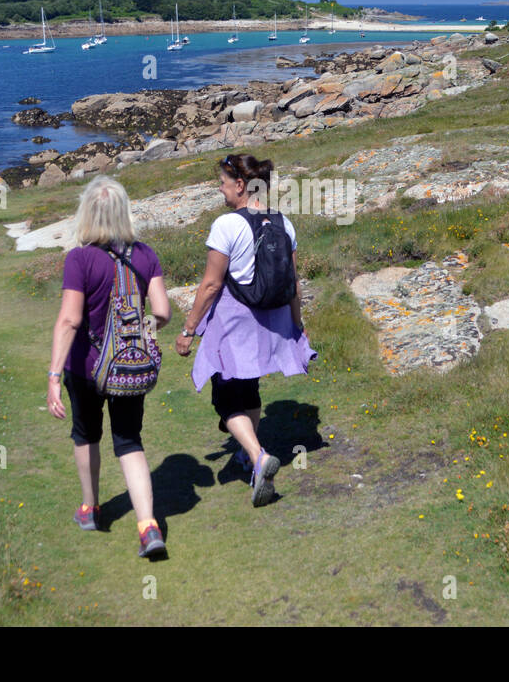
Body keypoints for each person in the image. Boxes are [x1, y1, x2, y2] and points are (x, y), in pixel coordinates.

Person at [175, 154, 316, 506]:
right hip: (268, 323)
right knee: (249, 388)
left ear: (241, 186)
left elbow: (210, 285)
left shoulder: (227, 225)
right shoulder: (285, 223)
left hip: (234, 323)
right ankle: (248, 459)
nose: (220, 191)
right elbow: (294, 283)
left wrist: (189, 329)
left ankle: (257, 455)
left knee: (224, 397)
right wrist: (297, 327)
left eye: (223, 184)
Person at [47, 175, 172, 558]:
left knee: (86, 435)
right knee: (129, 441)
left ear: (87, 212)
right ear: (123, 212)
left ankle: (90, 509)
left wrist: (53, 376)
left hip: (85, 367)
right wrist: (137, 333)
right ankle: (148, 525)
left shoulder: (79, 259)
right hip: (129, 368)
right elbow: (163, 312)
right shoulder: (145, 255)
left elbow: (69, 321)